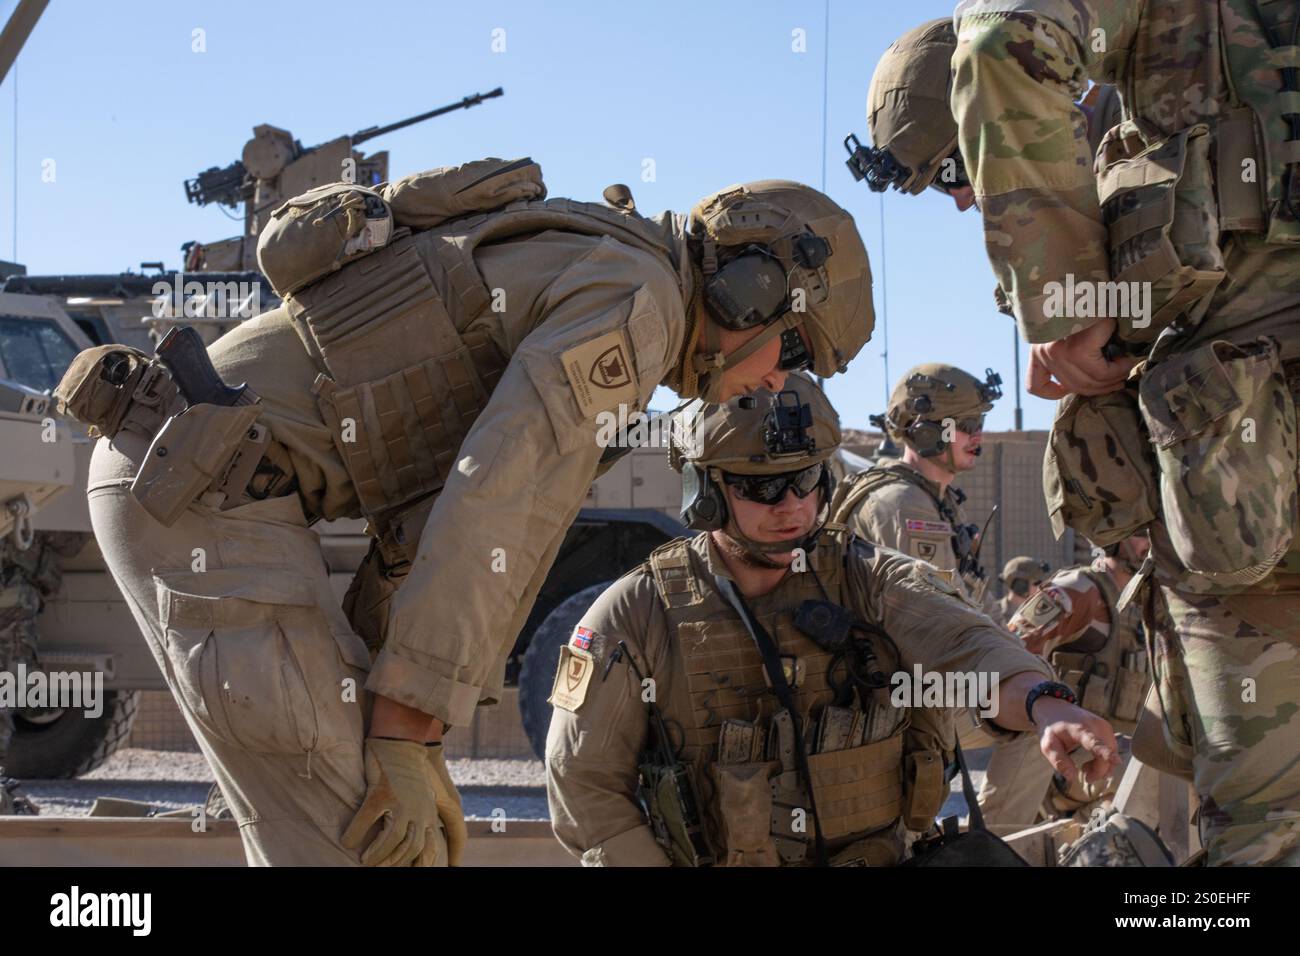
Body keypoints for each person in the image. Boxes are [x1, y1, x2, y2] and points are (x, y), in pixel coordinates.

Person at [55, 162, 874, 866]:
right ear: (750, 294)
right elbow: (499, 497)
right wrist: (407, 728)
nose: (781, 385)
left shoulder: (609, 262)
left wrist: (417, 727)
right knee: (365, 843)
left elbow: (451, 517)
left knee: (374, 830)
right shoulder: (639, 302)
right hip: (199, 491)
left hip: (195, 480)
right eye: (796, 352)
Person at [863, 4, 1300, 864]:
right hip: (1233, 518)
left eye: (960, 165)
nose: (964, 197)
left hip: (1245, 521)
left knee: (1259, 836)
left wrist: (1065, 299)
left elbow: (1000, 38)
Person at [545, 374, 1118, 865]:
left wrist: (1047, 703)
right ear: (707, 492)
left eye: (806, 479)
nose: (791, 504)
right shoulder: (637, 611)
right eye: (763, 486)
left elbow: (968, 643)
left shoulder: (870, 580)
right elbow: (583, 784)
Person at [830, 363, 1000, 607]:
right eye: (966, 426)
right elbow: (936, 613)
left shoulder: (941, 499)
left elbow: (970, 591)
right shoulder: (904, 502)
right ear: (925, 432)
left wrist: (1013, 639)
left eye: (980, 424)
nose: (978, 437)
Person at [1009, 535, 1151, 817]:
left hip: (1104, 768)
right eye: (1140, 533)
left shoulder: (1144, 602)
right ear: (1113, 535)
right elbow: (1008, 651)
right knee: (1148, 774)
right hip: (1058, 767)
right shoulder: (1078, 590)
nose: (1150, 543)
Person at [0, 531, 89, 816]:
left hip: (16, 600)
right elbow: (71, 541)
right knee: (13, 685)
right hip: (14, 602)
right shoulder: (32, 504)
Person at [996, 556, 1051, 628]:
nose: (1040, 587)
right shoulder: (994, 613)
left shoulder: (1043, 612)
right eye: (1036, 583)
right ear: (1020, 585)